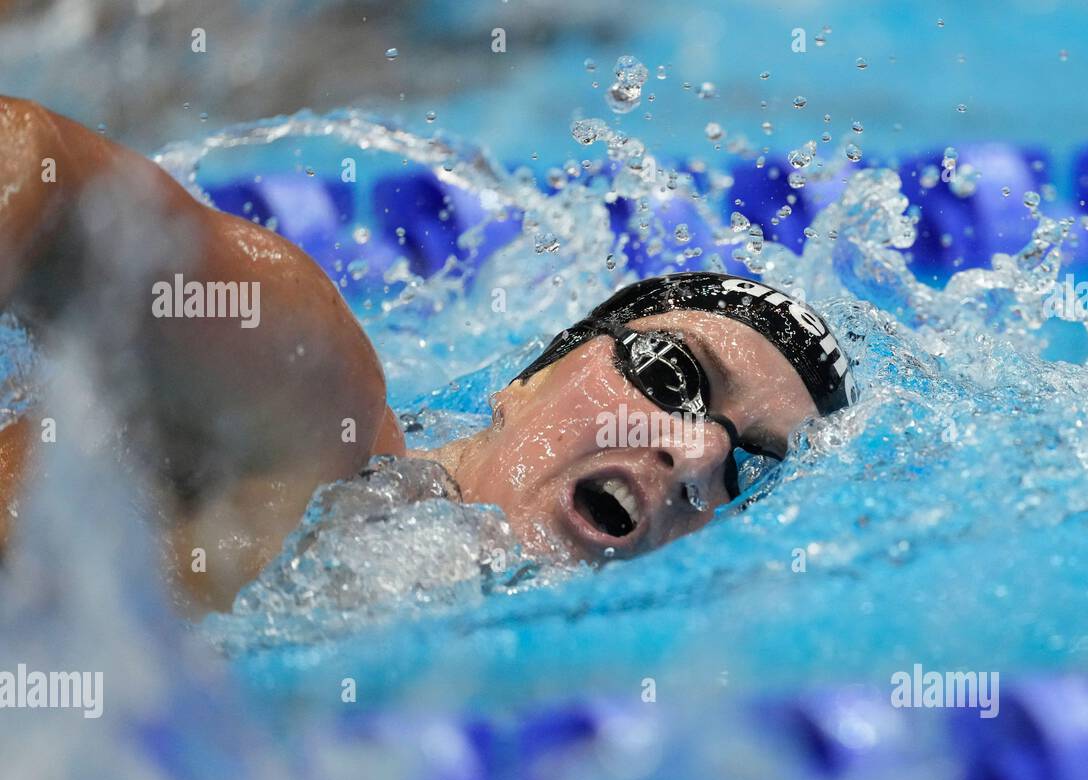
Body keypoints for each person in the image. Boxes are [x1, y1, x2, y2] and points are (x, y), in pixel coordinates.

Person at [0, 96, 855, 611]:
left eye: (752, 471)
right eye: (674, 376)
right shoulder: (306, 401)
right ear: (529, 377)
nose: (702, 451)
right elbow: (33, 164)